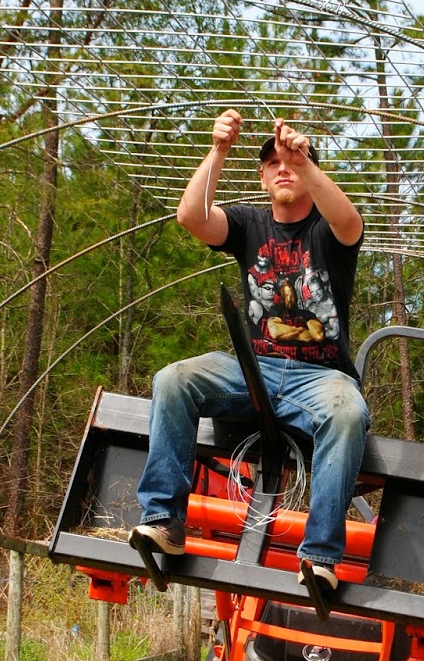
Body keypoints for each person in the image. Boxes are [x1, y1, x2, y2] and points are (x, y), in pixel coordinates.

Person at [130, 108, 368, 592]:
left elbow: (349, 220)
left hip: (319, 378)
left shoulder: (330, 230)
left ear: (308, 172)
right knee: (172, 378)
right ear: (261, 178)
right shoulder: (248, 225)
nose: (281, 167)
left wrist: (303, 161)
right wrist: (218, 149)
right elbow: (191, 217)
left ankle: (320, 557)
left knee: (347, 413)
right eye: (271, 163)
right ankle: (164, 521)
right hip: (252, 368)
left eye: (291, 162)